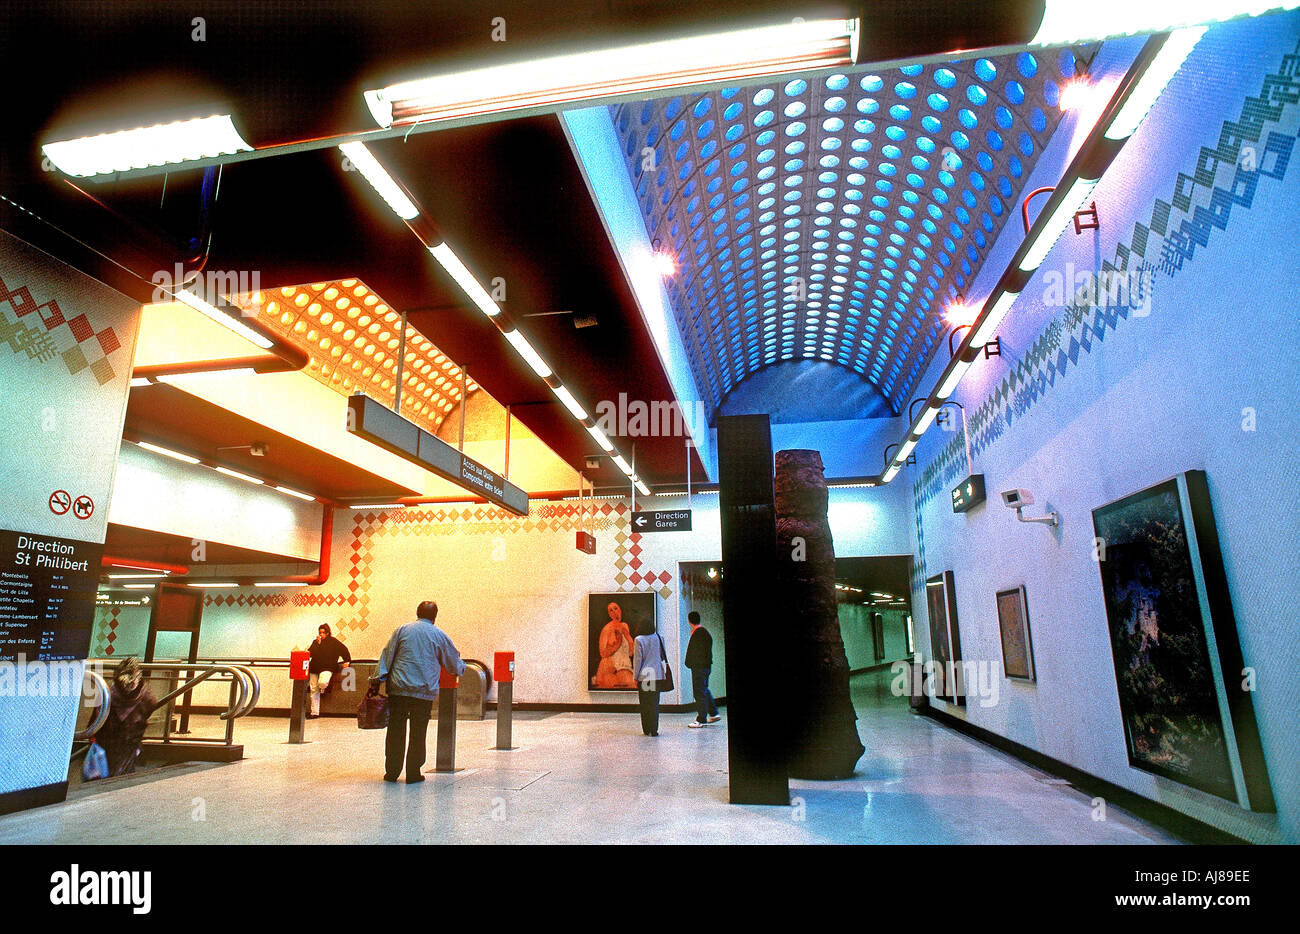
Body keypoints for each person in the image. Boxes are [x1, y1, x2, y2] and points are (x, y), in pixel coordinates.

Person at [371, 600, 465, 783]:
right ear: (434, 616)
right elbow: (452, 661)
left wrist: (377, 679)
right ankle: (413, 773)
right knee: (418, 731)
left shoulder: (402, 630)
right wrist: (461, 668)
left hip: (398, 688)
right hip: (423, 691)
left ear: (417, 612)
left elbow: (387, 654)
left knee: (395, 729)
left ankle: (392, 772)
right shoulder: (439, 635)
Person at [96, 657, 157, 776]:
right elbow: (150, 707)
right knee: (124, 775)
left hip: (109, 745)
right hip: (130, 744)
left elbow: (96, 722)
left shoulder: (108, 696)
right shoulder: (146, 698)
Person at [684, 611, 721, 728]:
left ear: (690, 621)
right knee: (704, 690)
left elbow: (693, 653)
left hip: (698, 668)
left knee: (699, 692)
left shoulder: (697, 634)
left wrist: (689, 663)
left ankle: (701, 719)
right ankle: (714, 713)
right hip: (706, 667)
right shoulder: (706, 633)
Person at [306, 623, 352, 718]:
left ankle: (323, 688)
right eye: (320, 632)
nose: (321, 634)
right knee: (313, 690)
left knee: (322, 682)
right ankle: (314, 712)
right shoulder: (316, 642)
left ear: (327, 633)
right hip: (315, 667)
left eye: (323, 632)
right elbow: (310, 654)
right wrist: (317, 644)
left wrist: (347, 661)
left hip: (328, 666)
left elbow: (344, 650)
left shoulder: (333, 642)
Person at [591, 601, 637, 689]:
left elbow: (631, 652)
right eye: (611, 610)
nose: (614, 612)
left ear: (620, 610)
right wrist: (617, 643)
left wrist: (627, 636)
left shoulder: (625, 626)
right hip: (610, 667)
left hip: (624, 664)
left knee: (633, 686)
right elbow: (603, 653)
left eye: (615, 608)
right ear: (609, 615)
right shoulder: (606, 629)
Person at [632, 618, 666, 737]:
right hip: (656, 675)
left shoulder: (639, 640)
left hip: (645, 675)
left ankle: (646, 729)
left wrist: (635, 677)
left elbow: (638, 660)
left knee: (645, 703)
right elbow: (662, 656)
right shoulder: (659, 638)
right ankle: (654, 729)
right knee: (654, 702)